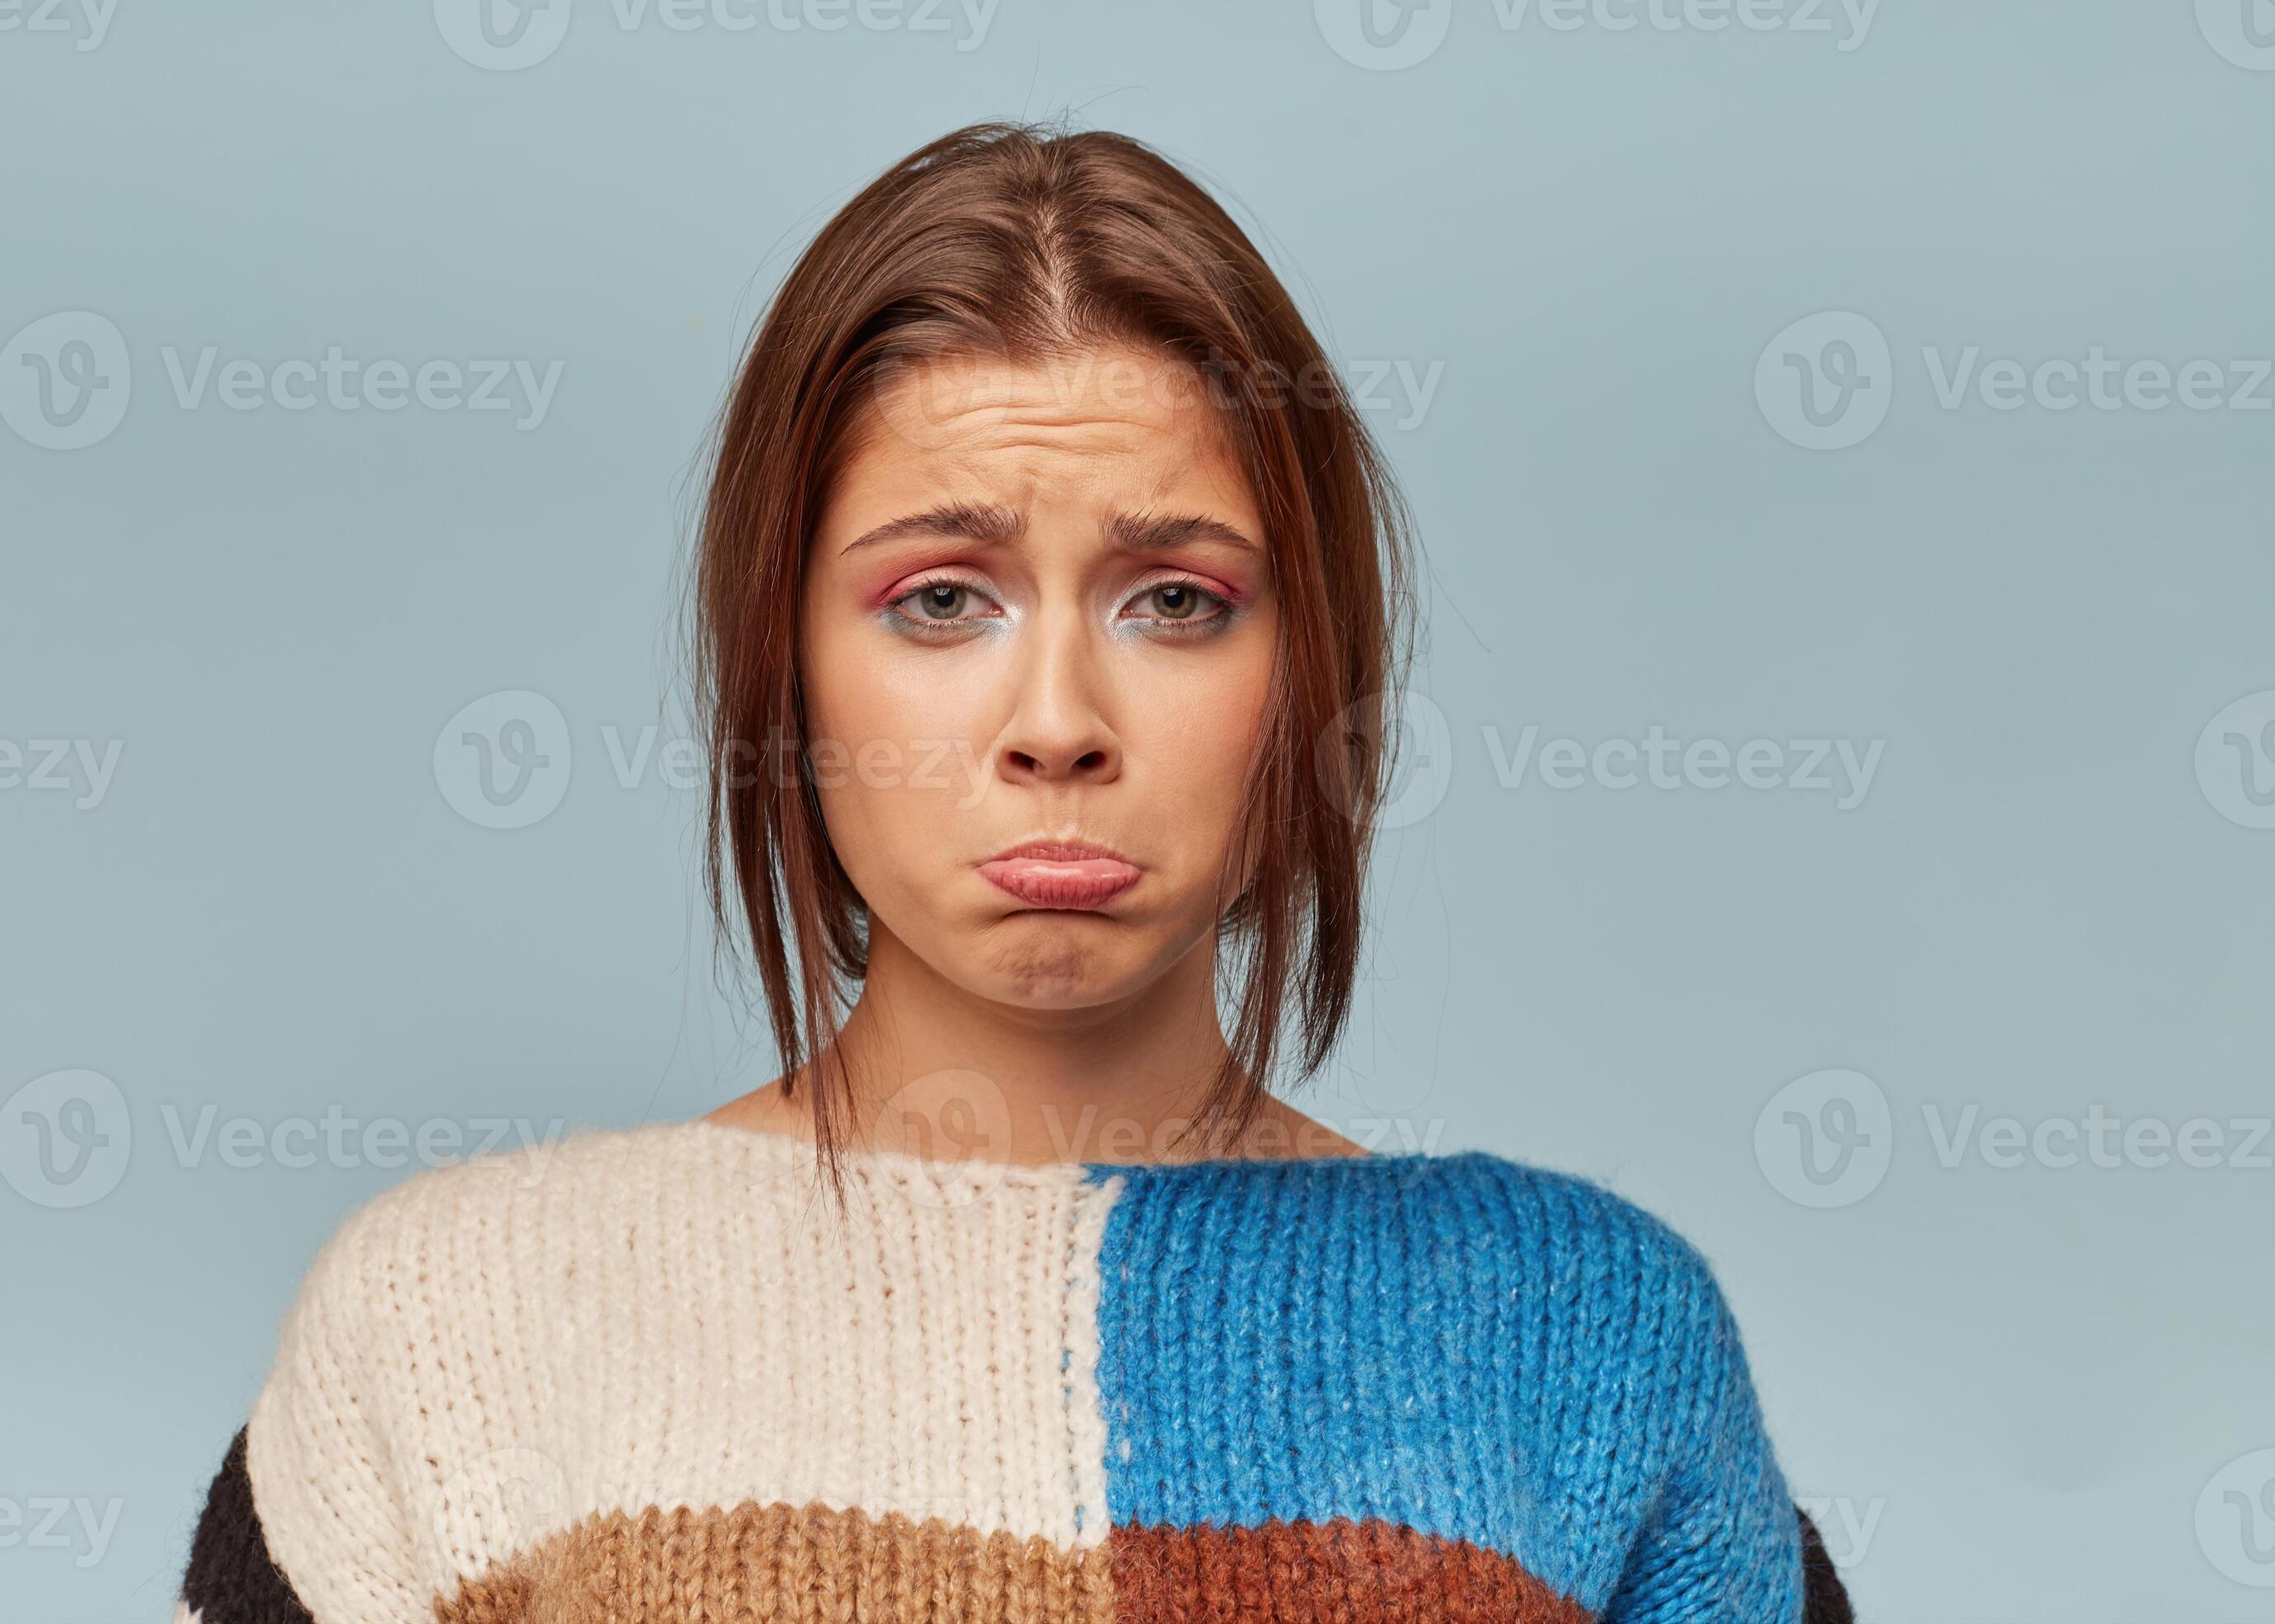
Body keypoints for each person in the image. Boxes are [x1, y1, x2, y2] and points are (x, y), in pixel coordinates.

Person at [172, 122, 1852, 1623]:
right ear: (787, 664)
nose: (1057, 721)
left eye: (1176, 600)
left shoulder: (1592, 1339)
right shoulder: (442, 1321)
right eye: (941, 598)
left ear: (1310, 669)